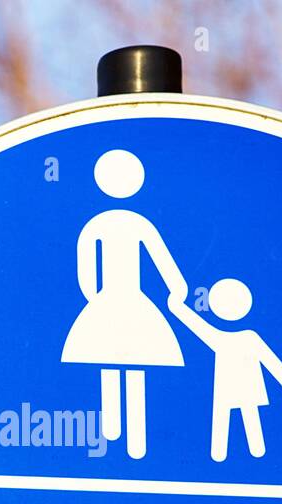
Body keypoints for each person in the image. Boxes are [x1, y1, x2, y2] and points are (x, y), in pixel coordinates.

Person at [62, 149, 188, 460]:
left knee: (123, 361)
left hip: (113, 301)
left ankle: (125, 439)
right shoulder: (126, 224)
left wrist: (95, 298)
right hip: (124, 301)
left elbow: (86, 273)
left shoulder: (104, 224)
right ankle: (123, 440)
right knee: (126, 362)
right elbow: (163, 263)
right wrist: (178, 289)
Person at [169, 278, 282, 462]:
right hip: (231, 386)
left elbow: (269, 359)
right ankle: (222, 456)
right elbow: (196, 325)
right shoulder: (237, 337)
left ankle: (238, 454)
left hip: (240, 386)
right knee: (232, 416)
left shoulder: (229, 338)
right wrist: (177, 307)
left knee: (241, 416)